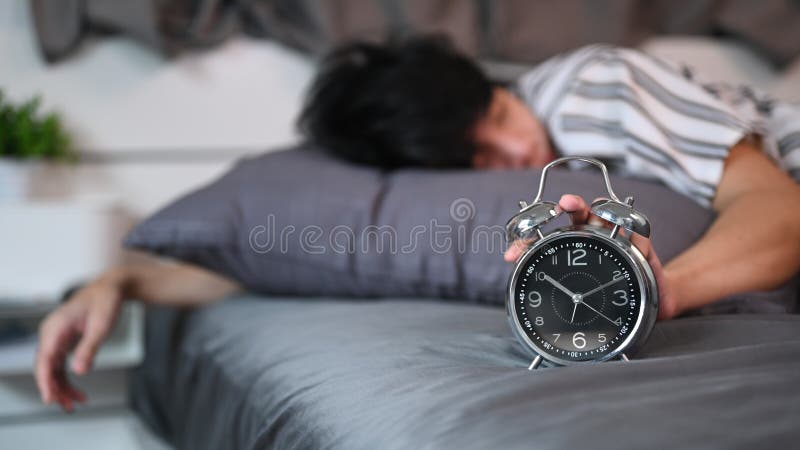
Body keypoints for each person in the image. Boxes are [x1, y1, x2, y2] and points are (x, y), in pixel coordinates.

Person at [36, 37, 800, 412]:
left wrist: (656, 290)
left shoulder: (589, 86)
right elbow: (279, 253)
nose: (517, 149)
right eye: (476, 157)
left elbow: (777, 209)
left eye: (498, 115)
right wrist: (123, 278)